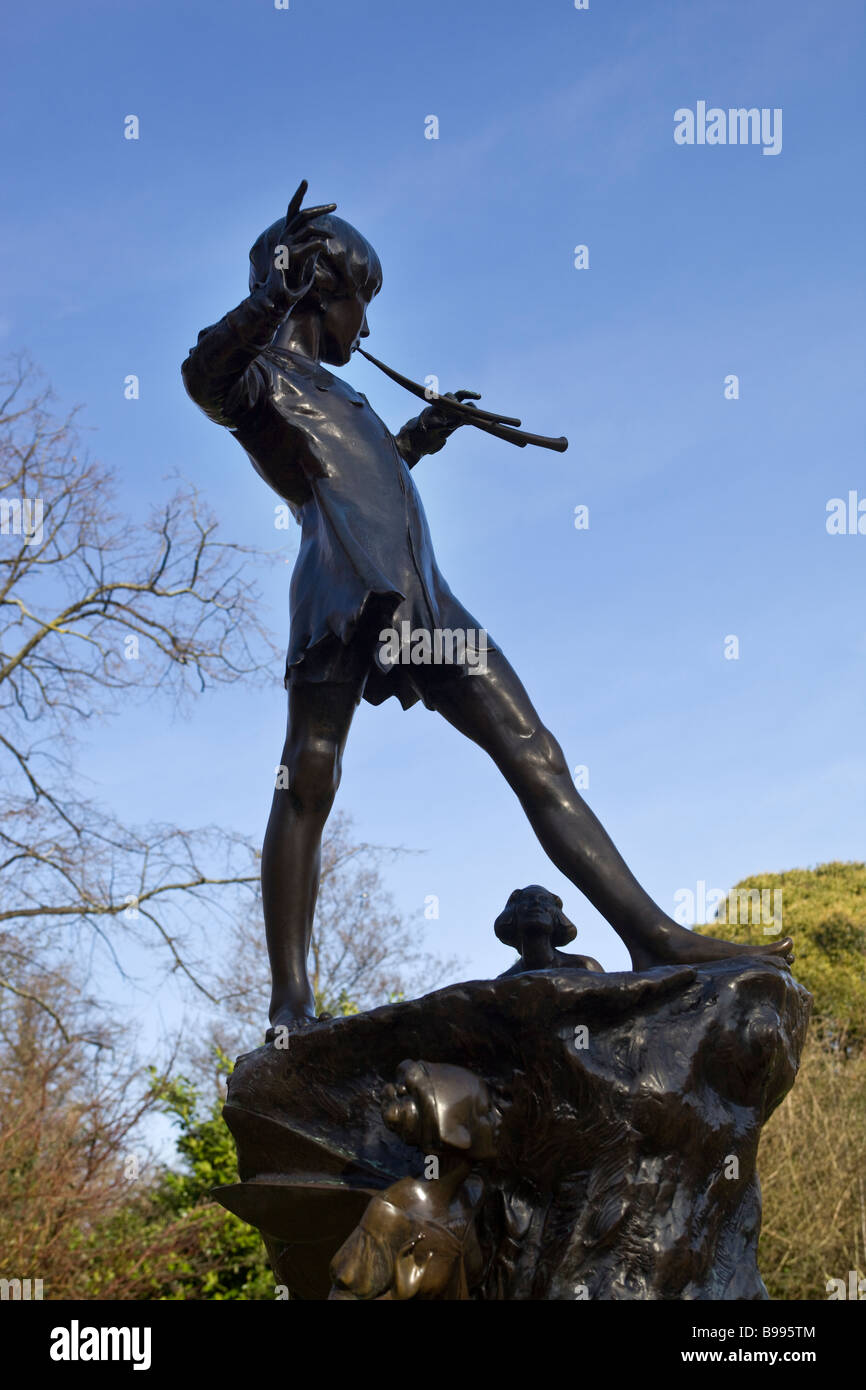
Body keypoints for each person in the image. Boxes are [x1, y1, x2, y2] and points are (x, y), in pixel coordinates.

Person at [182, 181, 793, 1034]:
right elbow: (201, 376)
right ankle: (290, 1003)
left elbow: (368, 479)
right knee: (308, 774)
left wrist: (419, 441)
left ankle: (652, 936)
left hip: (426, 598)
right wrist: (268, 296)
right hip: (341, 591)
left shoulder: (344, 396)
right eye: (364, 299)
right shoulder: (259, 381)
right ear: (323, 286)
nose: (368, 325)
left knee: (535, 750)